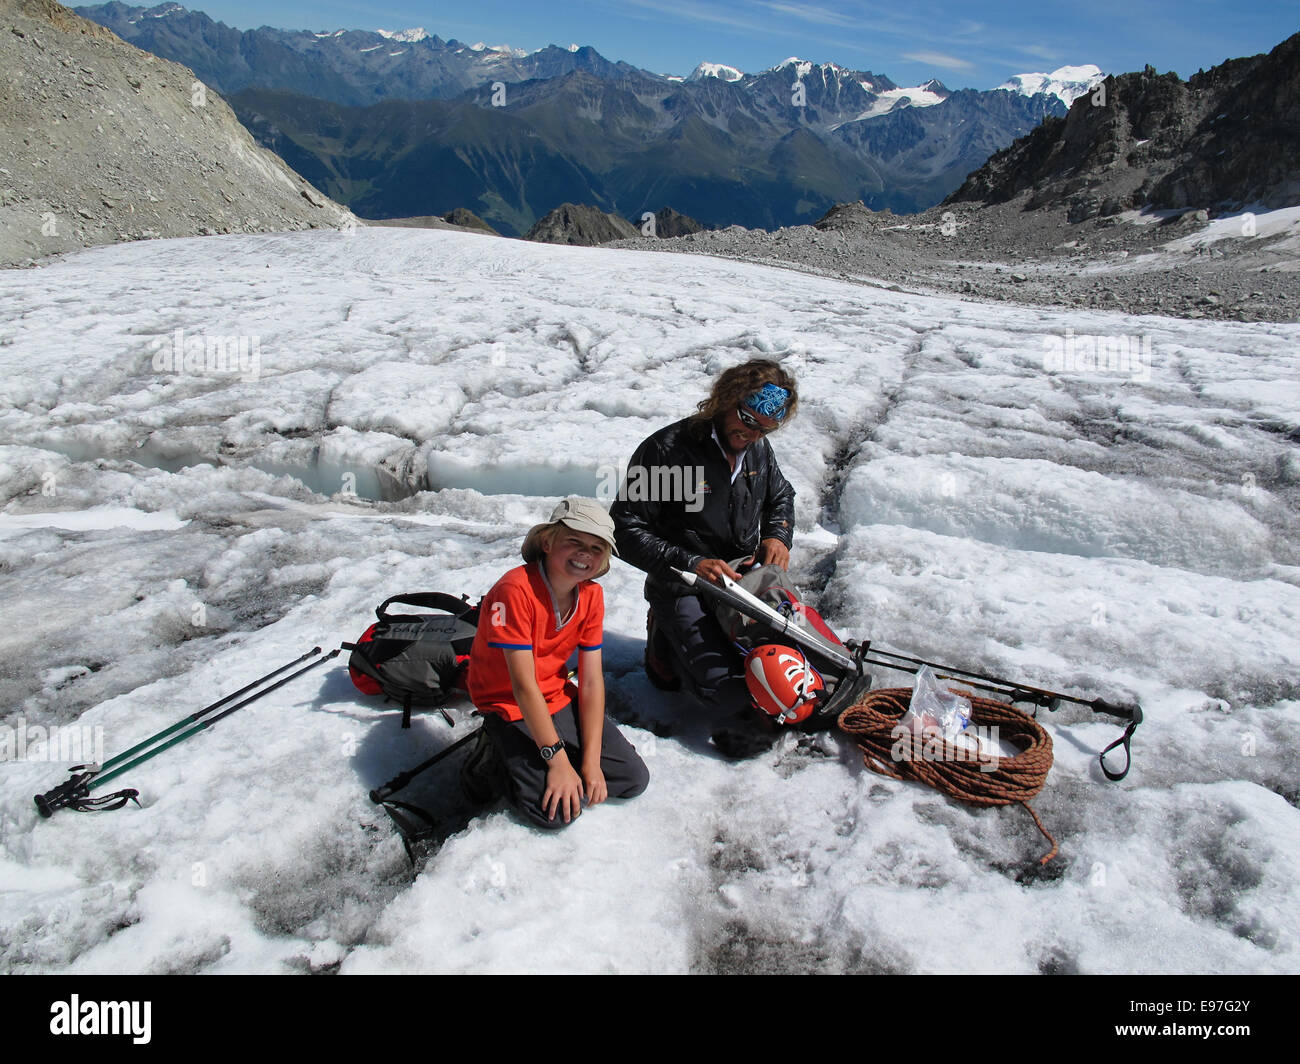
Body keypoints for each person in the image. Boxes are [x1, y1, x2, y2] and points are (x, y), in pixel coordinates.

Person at [610, 359, 798, 748]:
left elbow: (780, 496)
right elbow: (624, 528)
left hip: (742, 580)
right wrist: (691, 563)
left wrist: (777, 536)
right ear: (725, 400)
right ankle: (662, 638)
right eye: (747, 420)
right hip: (684, 584)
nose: (752, 434)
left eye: (766, 428)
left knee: (784, 666)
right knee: (726, 692)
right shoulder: (670, 452)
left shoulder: (758, 451)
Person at [464, 497, 649, 828]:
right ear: (547, 542)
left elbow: (591, 682)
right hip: (508, 702)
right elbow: (522, 685)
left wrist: (590, 763)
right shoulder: (515, 590)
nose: (584, 554)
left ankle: (552, 754)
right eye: (574, 541)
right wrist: (558, 761)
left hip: (555, 695)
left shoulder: (591, 596)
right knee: (555, 812)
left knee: (632, 779)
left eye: (596, 548)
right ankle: (497, 757)